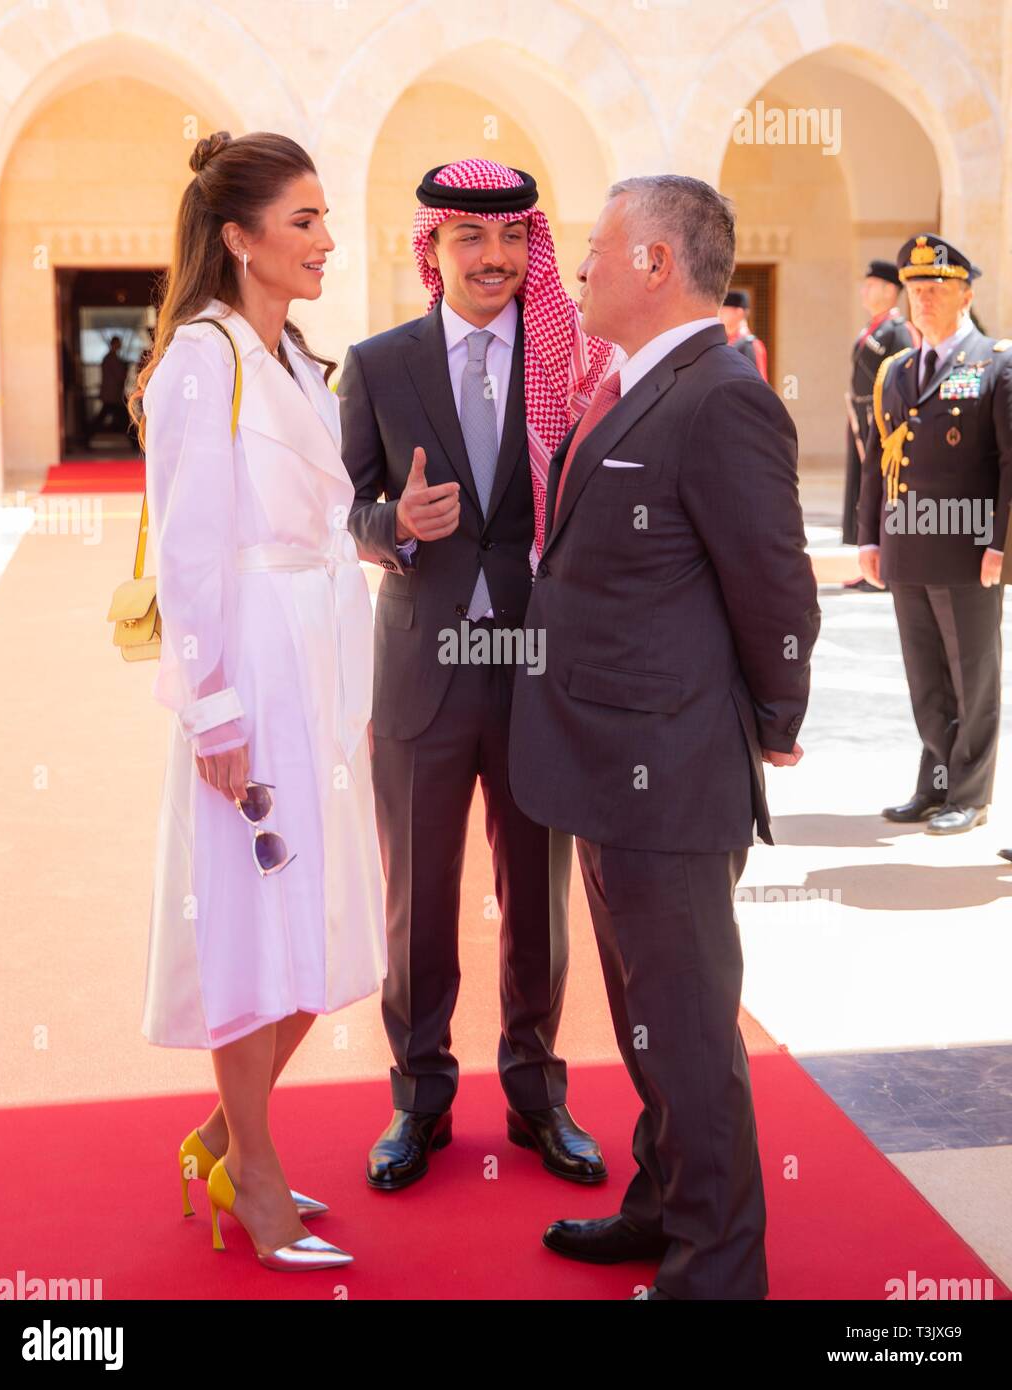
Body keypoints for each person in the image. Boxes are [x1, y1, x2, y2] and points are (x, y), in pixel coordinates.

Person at [508, 175, 820, 1300]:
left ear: (653, 265)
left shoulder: (720, 396)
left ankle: (718, 1268)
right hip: (607, 759)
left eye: (593, 247)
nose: (575, 265)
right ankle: (663, 1203)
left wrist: (774, 720)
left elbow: (774, 584)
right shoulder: (639, 381)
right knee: (646, 1017)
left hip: (669, 767)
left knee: (685, 1028)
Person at [129, 130, 386, 1270]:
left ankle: (224, 1138)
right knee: (249, 924)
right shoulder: (202, 358)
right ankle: (257, 1172)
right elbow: (189, 554)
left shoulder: (291, 359)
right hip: (252, 668)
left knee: (316, 923)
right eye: (302, 221)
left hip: (320, 668)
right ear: (238, 239)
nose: (327, 240)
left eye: (326, 218)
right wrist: (214, 709)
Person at [339, 158, 616, 1192]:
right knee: (417, 898)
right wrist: (390, 527)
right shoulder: (377, 364)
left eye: (510, 241)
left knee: (536, 896)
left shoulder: (576, 363)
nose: (493, 259)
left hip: (535, 668)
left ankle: (538, 1095)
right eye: (470, 240)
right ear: (434, 247)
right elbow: (343, 508)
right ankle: (419, 1099)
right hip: (423, 667)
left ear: (529, 247)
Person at [858, 234, 1012, 835]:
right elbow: (876, 457)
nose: (923, 299)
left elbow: (1009, 464)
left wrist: (1001, 543)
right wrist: (869, 537)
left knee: (972, 675)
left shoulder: (995, 363)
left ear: (966, 292)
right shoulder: (895, 369)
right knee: (925, 676)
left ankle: (969, 794)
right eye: (916, 289)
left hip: (969, 549)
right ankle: (936, 781)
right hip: (907, 544)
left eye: (936, 288)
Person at [841, 261, 917, 574]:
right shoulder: (871, 327)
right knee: (862, 485)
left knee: (881, 485)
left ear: (889, 290)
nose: (864, 289)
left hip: (881, 423)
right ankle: (867, 556)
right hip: (861, 416)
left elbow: (902, 381)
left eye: (870, 284)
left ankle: (885, 558)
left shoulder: (897, 331)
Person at [88, 336, 130, 442]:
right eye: (118, 343)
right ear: (114, 344)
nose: (120, 345)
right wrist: (125, 368)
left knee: (120, 418)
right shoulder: (111, 359)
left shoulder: (110, 358)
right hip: (112, 395)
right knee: (123, 419)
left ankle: (87, 437)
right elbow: (120, 376)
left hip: (112, 394)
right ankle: (134, 441)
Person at [720, 289, 768, 381]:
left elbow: (759, 385)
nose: (719, 315)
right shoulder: (722, 341)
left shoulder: (751, 346)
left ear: (739, 312)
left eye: (724, 311)